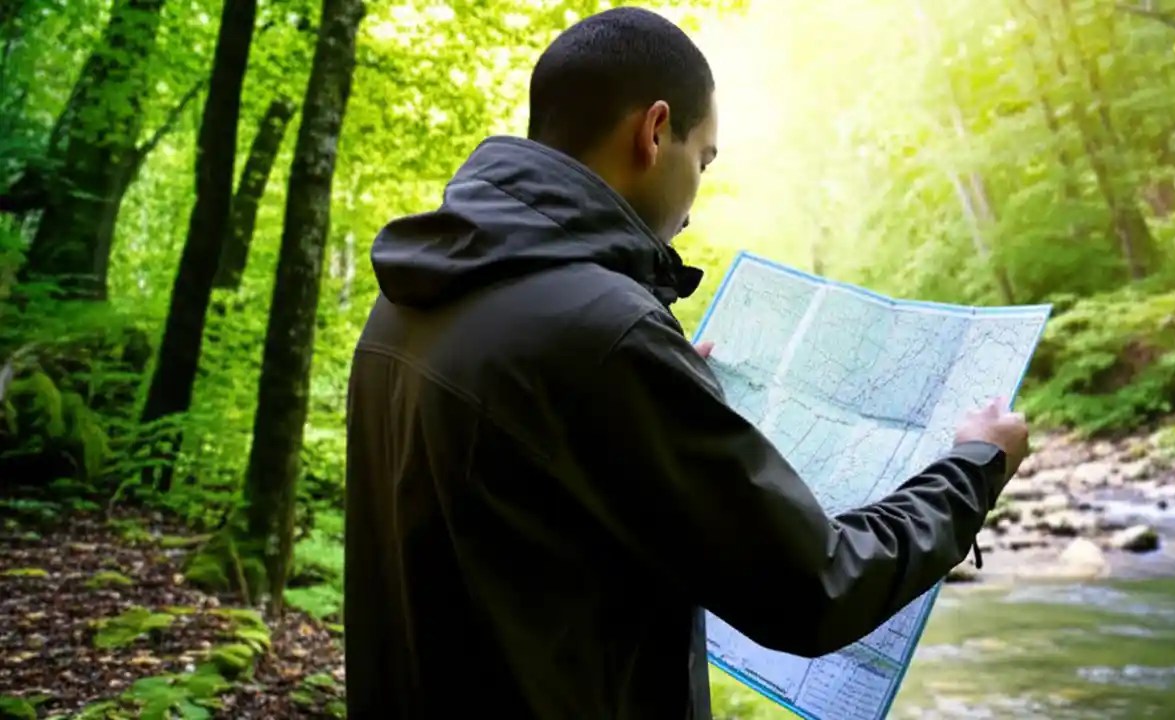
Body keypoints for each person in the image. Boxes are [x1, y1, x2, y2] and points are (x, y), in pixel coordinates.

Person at [343, 6, 1028, 719]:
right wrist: (973, 468)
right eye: (702, 159)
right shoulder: (602, 339)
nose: (694, 202)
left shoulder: (409, 297)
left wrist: (655, 380)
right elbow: (818, 588)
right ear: (654, 130)